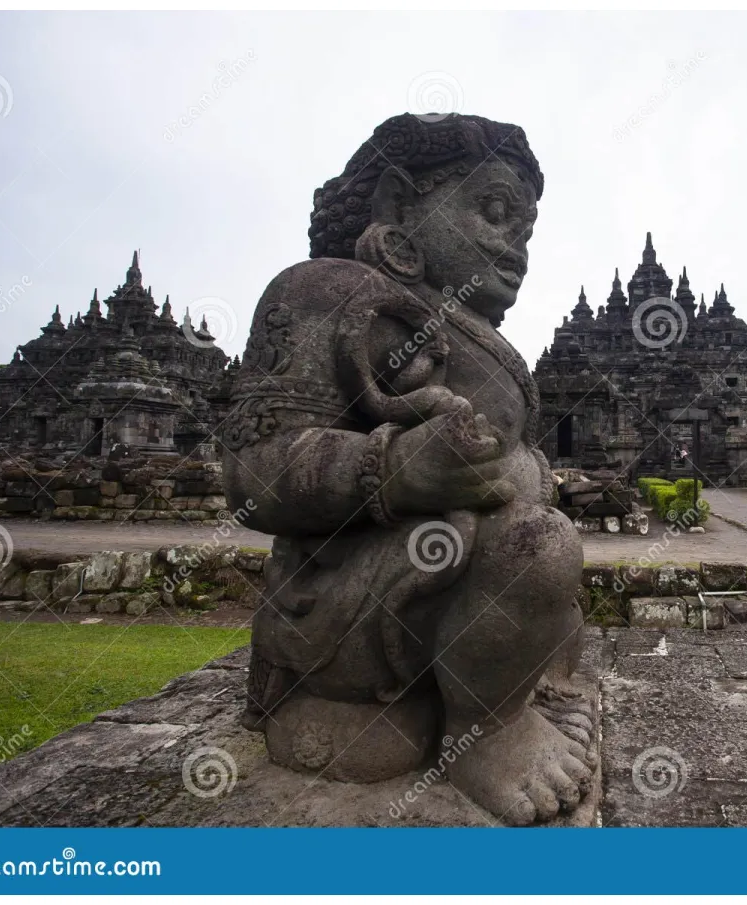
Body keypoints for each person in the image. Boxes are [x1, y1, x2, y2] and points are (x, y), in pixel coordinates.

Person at [222, 113, 592, 825]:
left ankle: (489, 701)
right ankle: (484, 733)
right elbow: (249, 469)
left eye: (526, 229)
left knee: (543, 559)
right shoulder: (322, 291)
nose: (515, 243)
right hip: (351, 597)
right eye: (494, 211)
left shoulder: (473, 334)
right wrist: (393, 468)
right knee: (541, 551)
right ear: (396, 210)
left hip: (466, 596)